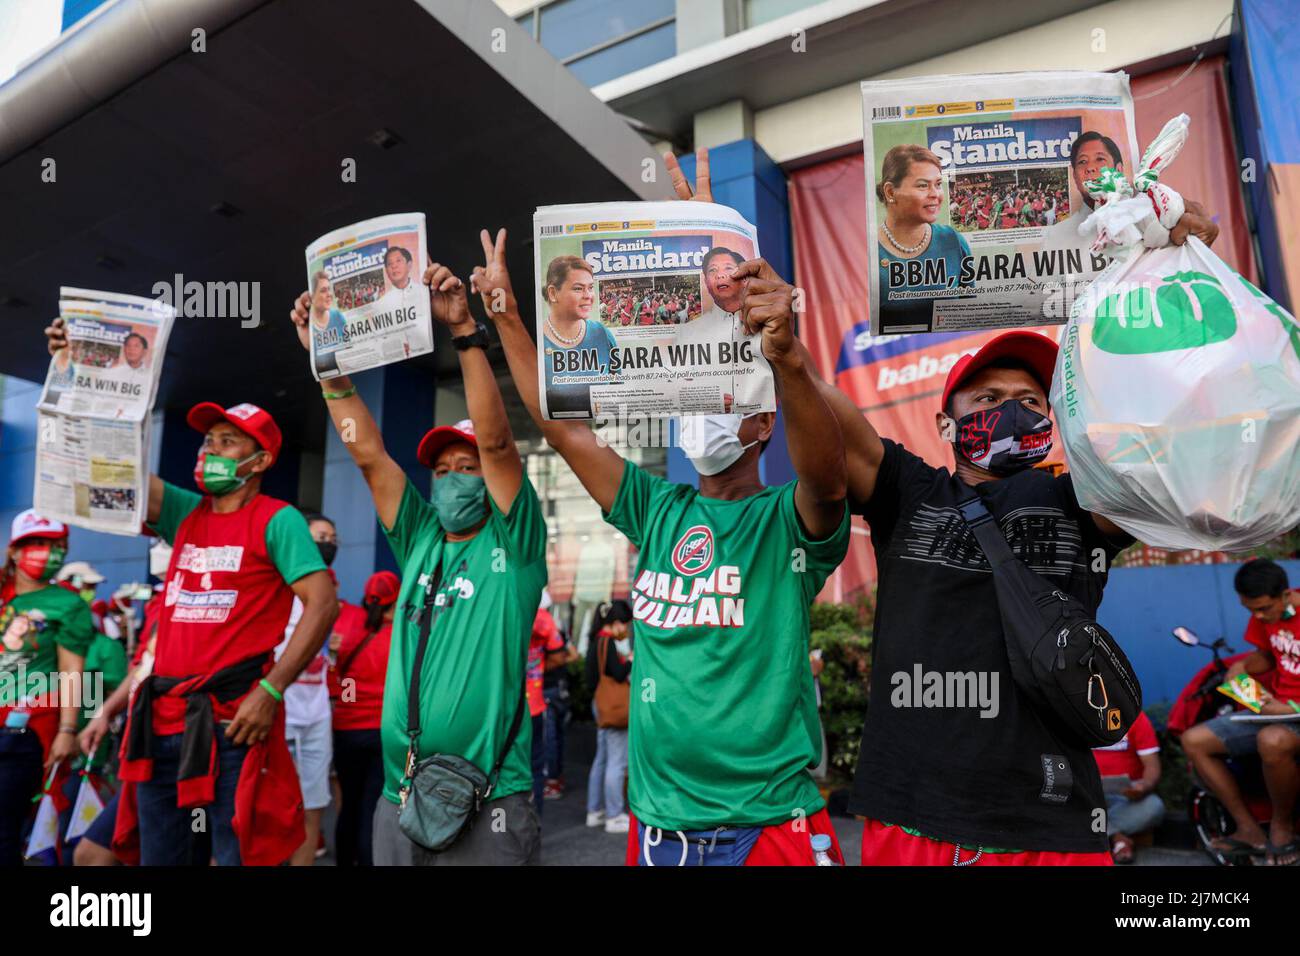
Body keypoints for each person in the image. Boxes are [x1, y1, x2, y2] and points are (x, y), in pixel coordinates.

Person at [478, 181, 851, 865]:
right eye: (694, 396)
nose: (700, 412)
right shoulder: (658, 510)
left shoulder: (786, 521)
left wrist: (786, 356)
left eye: (722, 394)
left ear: (764, 422)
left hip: (769, 827)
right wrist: (505, 315)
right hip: (658, 833)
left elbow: (828, 478)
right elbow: (565, 432)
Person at [289, 253, 548, 867]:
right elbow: (370, 456)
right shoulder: (421, 538)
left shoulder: (516, 543)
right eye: (443, 470)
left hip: (492, 803)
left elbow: (497, 441)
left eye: (469, 470)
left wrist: (463, 332)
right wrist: (326, 363)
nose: (456, 480)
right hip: (399, 797)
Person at [1181, 558, 1300, 865]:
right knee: (1194, 740)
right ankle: (1249, 830)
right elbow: (1268, 657)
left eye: (1263, 609)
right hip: (1275, 710)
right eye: (1250, 610)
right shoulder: (1263, 616)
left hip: (1291, 715)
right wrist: (1242, 667)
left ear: (1286, 595)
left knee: (1272, 740)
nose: (1258, 616)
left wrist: (1290, 707)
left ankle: (1282, 827)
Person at [0, 511, 92, 866]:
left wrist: (68, 730)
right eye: (36, 543)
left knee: (7, 828)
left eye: (56, 546)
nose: (46, 552)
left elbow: (72, 671)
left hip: (25, 732)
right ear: (14, 550)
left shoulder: (68, 604)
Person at [275, 510, 341, 866]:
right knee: (266, 808)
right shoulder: (276, 585)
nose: (327, 544)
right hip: (277, 714)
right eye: (320, 537)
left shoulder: (330, 591)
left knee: (313, 806)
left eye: (332, 539)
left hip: (316, 715)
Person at [329, 570, 398, 866]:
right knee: (372, 807)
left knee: (349, 805)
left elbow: (341, 684)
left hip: (346, 730)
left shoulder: (347, 627)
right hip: (382, 731)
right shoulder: (402, 637)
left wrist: (349, 703)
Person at [874, 144, 973, 331]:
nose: (935, 194)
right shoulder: (870, 253)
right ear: (890, 192)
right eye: (922, 185)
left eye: (937, 184)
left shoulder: (952, 240)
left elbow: (969, 312)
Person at [540, 254, 618, 418]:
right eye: (578, 288)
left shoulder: (601, 333)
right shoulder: (538, 342)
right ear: (553, 293)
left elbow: (619, 388)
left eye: (590, 287)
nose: (588, 295)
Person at [584, 600, 632, 834]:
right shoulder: (607, 642)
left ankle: (595, 811)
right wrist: (631, 659)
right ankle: (614, 816)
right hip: (613, 707)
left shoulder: (595, 640)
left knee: (601, 759)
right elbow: (618, 673)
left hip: (599, 703)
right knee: (617, 761)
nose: (627, 629)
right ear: (615, 623)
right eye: (626, 624)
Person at [1092, 710, 1164, 863]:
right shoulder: (1075, 714)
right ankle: (1116, 837)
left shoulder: (1133, 716)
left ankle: (1098, 833)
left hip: (1126, 798)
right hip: (1088, 797)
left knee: (1153, 807)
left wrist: (1144, 786)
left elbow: (1152, 766)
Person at [526, 596, 567, 816]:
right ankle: (533, 825)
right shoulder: (542, 618)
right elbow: (560, 656)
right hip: (533, 705)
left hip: (500, 706)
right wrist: (538, 667)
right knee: (534, 769)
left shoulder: (500, 608)